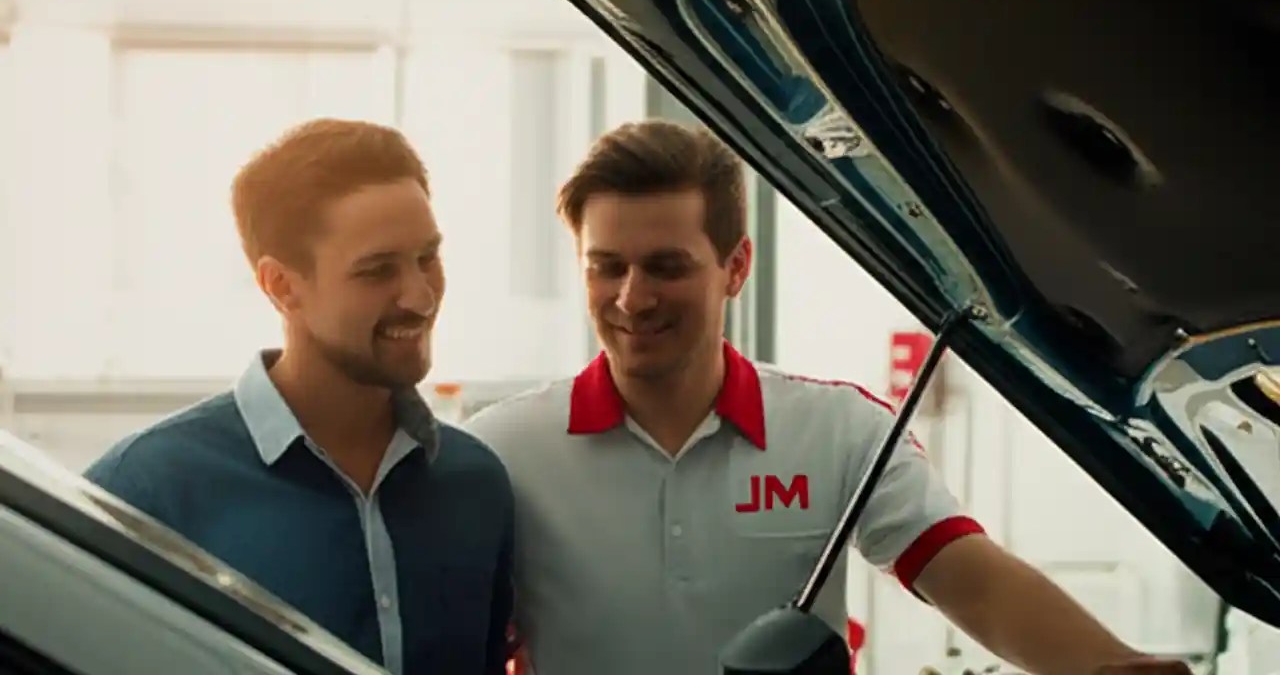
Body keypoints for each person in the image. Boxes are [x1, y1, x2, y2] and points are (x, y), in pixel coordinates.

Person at [463, 120, 1190, 675]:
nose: (631, 297)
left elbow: (968, 578)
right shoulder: (502, 451)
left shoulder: (839, 430)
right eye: (606, 267)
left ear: (736, 266)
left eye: (666, 267)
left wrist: (1117, 670)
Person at [84, 118, 514, 675]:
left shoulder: (476, 484)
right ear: (281, 286)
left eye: (427, 257)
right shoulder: (146, 491)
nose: (421, 294)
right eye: (378, 270)